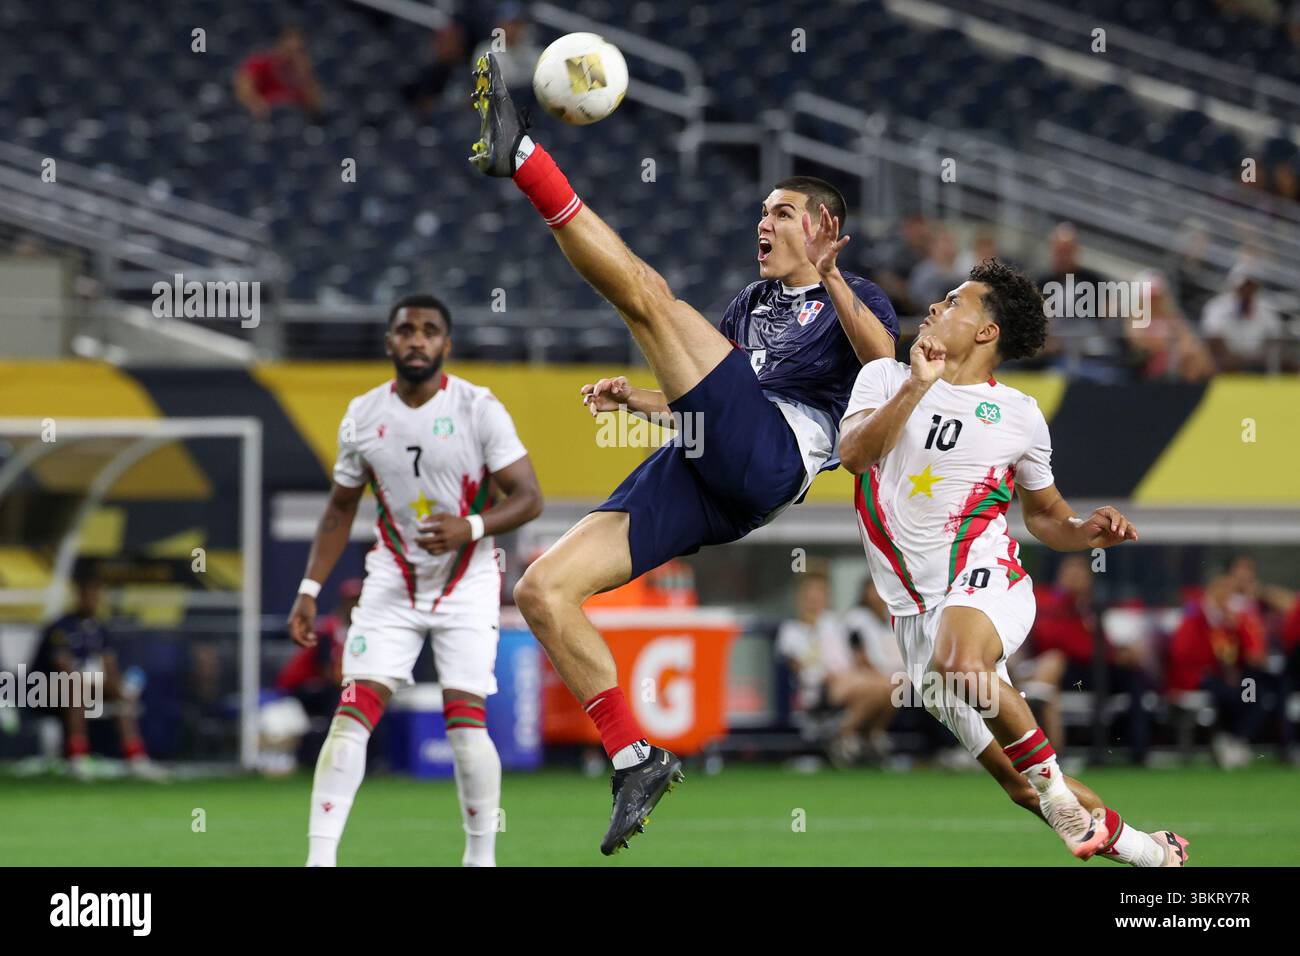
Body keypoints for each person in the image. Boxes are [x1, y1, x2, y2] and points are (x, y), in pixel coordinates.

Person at [468, 53, 900, 854]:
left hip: (771, 461)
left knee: (647, 295)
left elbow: (884, 367)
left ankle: (523, 156)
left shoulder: (860, 297)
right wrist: (642, 402)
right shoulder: (752, 303)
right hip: (712, 461)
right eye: (761, 212)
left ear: (825, 229)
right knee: (542, 591)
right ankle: (635, 756)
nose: (762, 224)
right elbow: (716, 392)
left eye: (782, 213)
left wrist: (837, 279)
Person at [838, 258, 1188, 866]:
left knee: (962, 663)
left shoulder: (1020, 415)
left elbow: (1046, 515)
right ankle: (1154, 856)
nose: (937, 306)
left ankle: (1059, 796)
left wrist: (1084, 531)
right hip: (913, 618)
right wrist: (917, 385)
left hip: (985, 579)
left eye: (954, 301)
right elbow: (854, 456)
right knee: (1018, 784)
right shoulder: (884, 377)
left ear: (985, 332)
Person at [287, 294, 544, 867]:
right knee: (351, 716)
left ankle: (481, 859)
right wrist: (308, 589)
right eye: (407, 330)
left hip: (468, 583)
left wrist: (470, 526)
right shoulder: (363, 414)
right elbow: (338, 510)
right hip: (392, 582)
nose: (417, 339)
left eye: (430, 331)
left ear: (446, 345)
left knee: (465, 725)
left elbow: (529, 498)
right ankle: (320, 860)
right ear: (390, 342)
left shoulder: (480, 408)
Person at [30, 562, 166, 781]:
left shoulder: (100, 629)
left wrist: (119, 689)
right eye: (89, 594)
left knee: (119, 695)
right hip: (43, 692)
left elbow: (109, 666)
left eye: (97, 595)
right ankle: (78, 759)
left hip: (86, 687)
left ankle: (136, 758)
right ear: (79, 595)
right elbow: (62, 667)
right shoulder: (61, 627)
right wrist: (93, 684)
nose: (93, 600)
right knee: (75, 687)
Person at [1028, 555, 1155, 765]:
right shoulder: (1052, 605)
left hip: (1097, 666)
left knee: (1135, 680)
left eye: (1080, 574)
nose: (1075, 579)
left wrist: (1119, 653)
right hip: (1073, 672)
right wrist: (1113, 654)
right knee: (1059, 673)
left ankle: (1138, 752)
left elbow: (1098, 641)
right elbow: (1059, 641)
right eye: (1070, 574)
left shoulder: (1091, 606)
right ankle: (1061, 753)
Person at [777, 572, 896, 765]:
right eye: (809, 597)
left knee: (890, 686)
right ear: (800, 599)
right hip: (818, 688)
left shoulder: (834, 624)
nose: (814, 602)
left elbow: (852, 658)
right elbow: (801, 670)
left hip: (848, 680)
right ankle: (847, 735)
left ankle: (868, 735)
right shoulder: (791, 630)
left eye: (819, 596)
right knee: (878, 686)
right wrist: (832, 675)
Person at [1200, 264, 1286, 372]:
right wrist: (1232, 360)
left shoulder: (1266, 308)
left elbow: (1276, 338)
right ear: (1233, 286)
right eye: (1243, 287)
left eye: (1250, 287)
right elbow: (1212, 337)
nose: (1246, 291)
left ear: (1256, 288)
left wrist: (1257, 360)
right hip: (1225, 367)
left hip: (1258, 366)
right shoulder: (1217, 307)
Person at [233, 25, 324, 121]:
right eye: (290, 50)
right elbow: (243, 88)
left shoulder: (302, 71)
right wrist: (256, 104)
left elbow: (316, 106)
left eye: (299, 50)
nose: (293, 54)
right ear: (281, 44)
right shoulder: (261, 62)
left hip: (295, 118)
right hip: (267, 117)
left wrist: (306, 77)